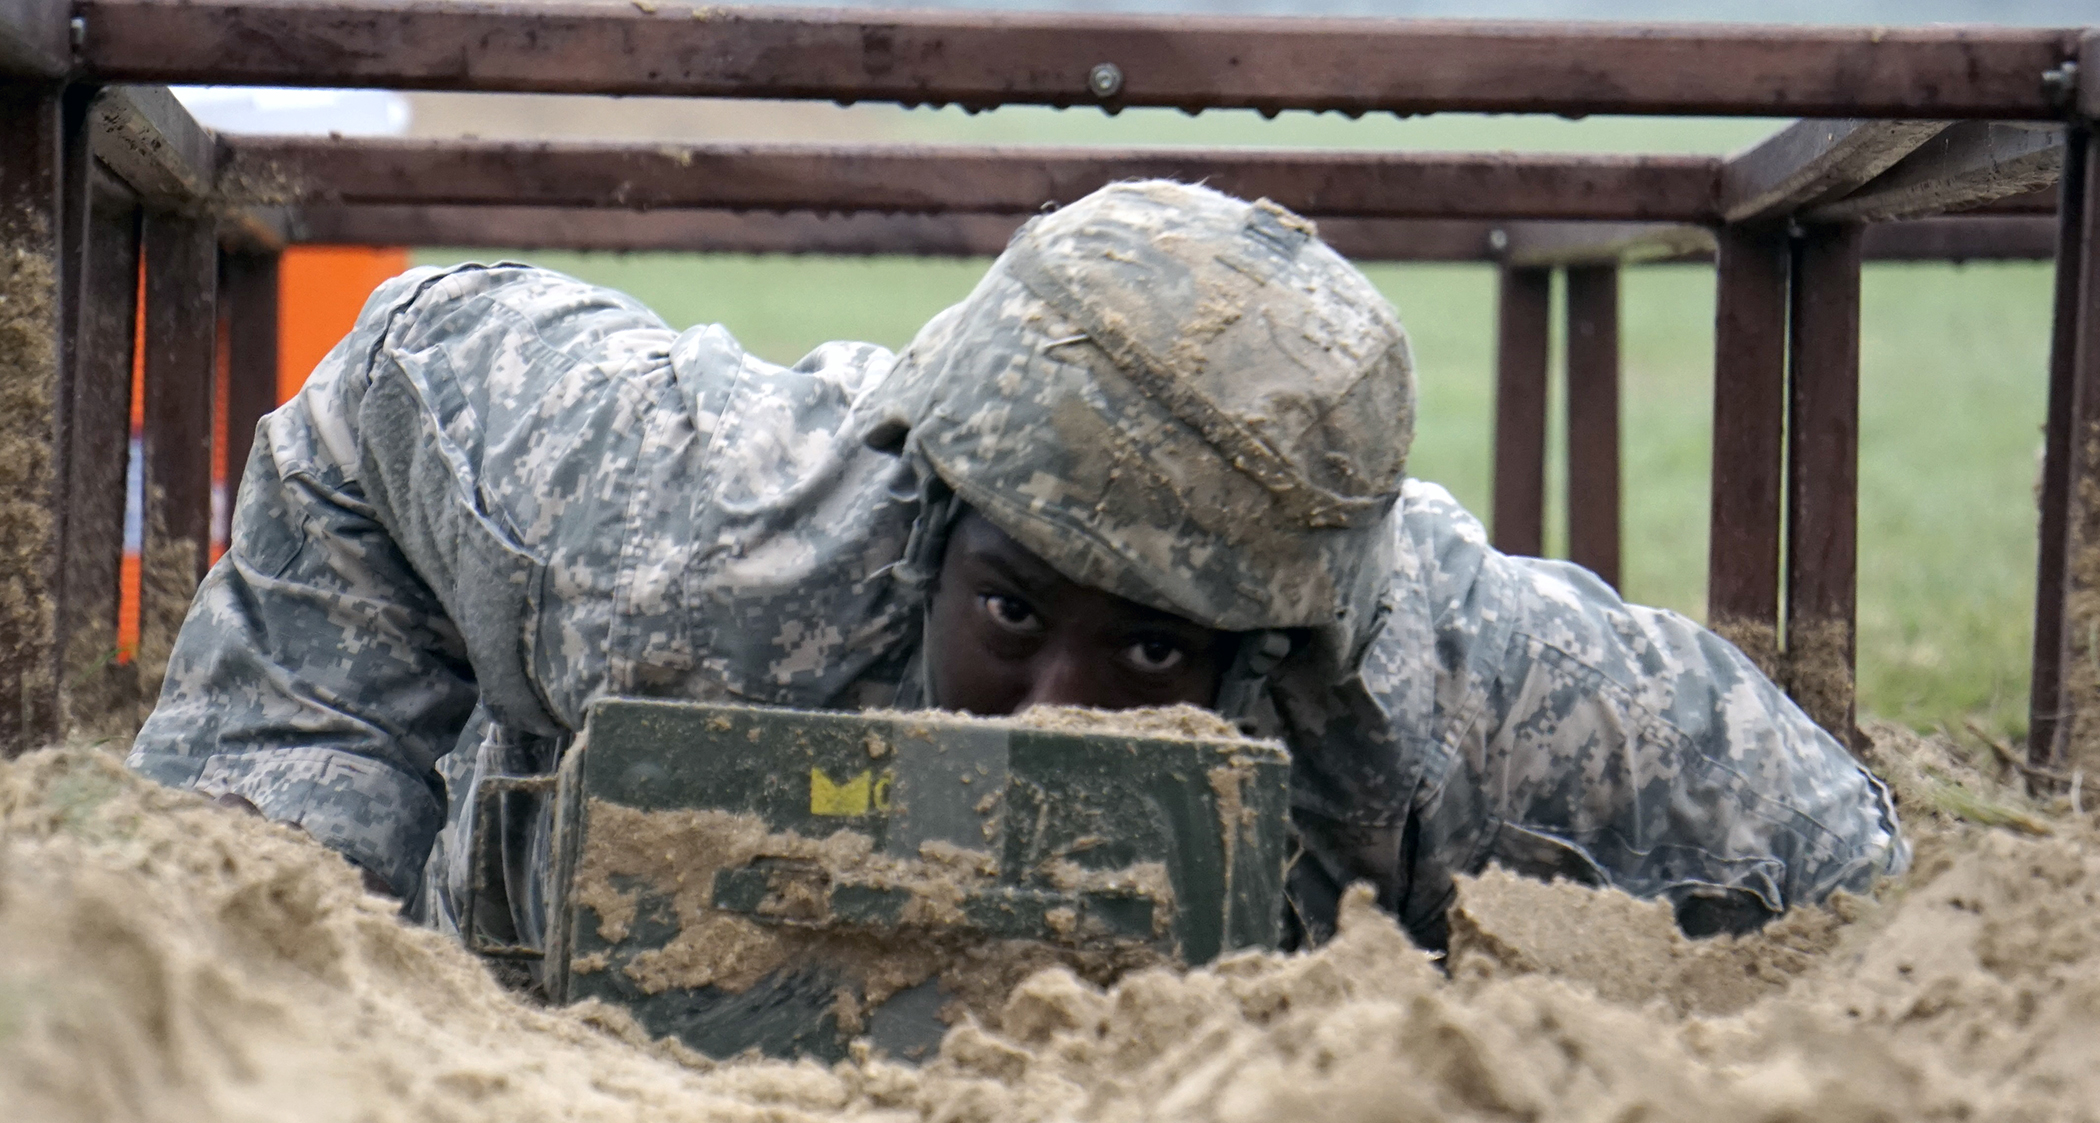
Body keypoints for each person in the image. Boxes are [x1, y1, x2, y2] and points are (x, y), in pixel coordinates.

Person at [128, 181, 1905, 952]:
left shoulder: (1455, 708)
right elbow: (393, 368)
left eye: (1148, 661)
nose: (1050, 716)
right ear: (929, 534)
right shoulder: (689, 527)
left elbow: (1847, 874)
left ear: (1273, 654)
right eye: (1010, 613)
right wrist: (292, 887)